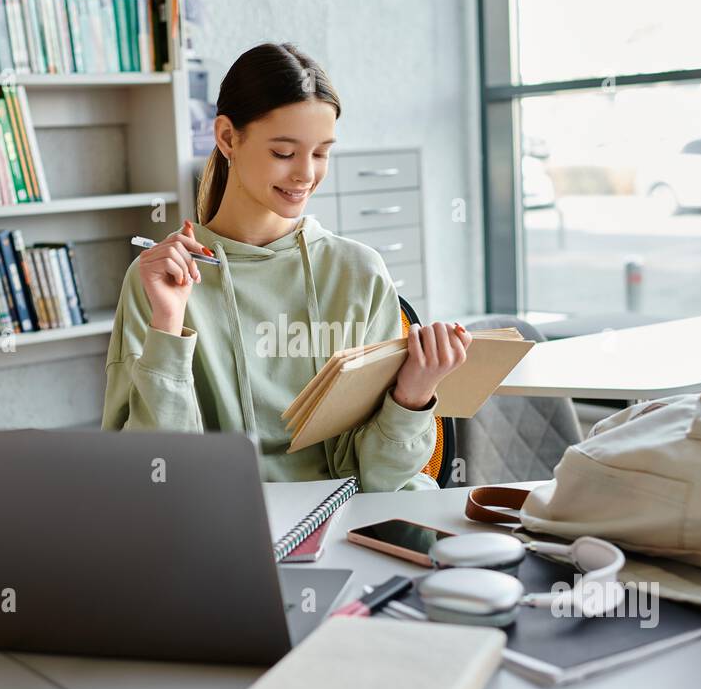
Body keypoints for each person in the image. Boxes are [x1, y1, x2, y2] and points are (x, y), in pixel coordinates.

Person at [102, 42, 471, 492]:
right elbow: (152, 474)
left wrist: (412, 395)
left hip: (350, 525)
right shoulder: (158, 280)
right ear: (227, 138)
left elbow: (381, 478)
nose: (305, 175)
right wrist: (168, 326)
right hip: (222, 526)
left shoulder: (358, 271)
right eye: (284, 153)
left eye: (321, 153)